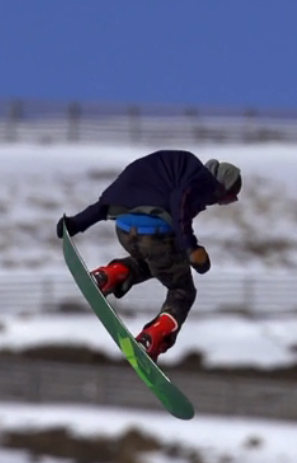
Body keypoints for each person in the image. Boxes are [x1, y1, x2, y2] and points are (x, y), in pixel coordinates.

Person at [56, 149, 242, 362]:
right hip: (154, 234)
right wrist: (191, 249)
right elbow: (179, 204)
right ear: (223, 184)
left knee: (157, 262)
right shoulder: (203, 180)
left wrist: (76, 223)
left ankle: (110, 275)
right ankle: (153, 337)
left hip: (124, 229)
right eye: (227, 199)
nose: (219, 203)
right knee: (182, 290)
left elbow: (113, 195)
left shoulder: (179, 167)